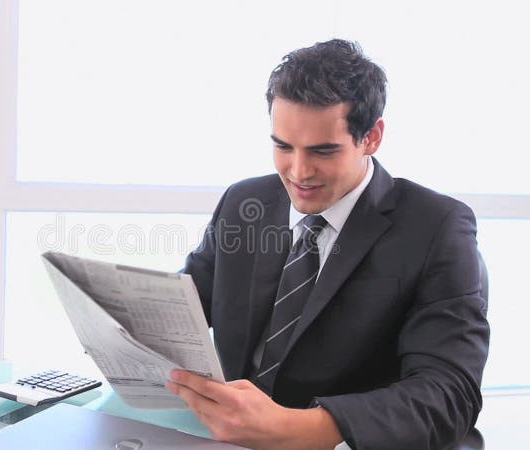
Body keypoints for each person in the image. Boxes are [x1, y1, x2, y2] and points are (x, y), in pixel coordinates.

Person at [165, 39, 490, 450]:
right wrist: (119, 316)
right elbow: (185, 304)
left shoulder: (437, 227)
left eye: (323, 151)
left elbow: (449, 394)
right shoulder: (244, 203)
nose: (298, 171)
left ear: (371, 137)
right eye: (283, 146)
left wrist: (299, 429)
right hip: (231, 435)